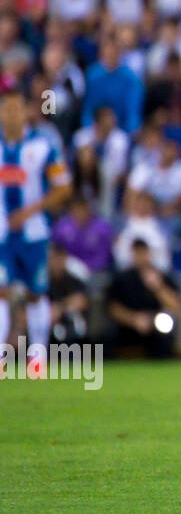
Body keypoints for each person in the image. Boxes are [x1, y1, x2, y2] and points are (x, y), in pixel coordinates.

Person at [0, 88, 74, 376]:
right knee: (2, 292)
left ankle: (38, 359)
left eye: (17, 108)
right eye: (7, 108)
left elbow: (63, 187)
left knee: (35, 292)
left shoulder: (43, 146)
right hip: (3, 235)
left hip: (34, 233)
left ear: (26, 111)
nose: (12, 114)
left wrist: (31, 210)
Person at [105, 238, 181, 359]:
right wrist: (133, 319)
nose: (141, 257)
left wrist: (158, 287)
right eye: (137, 253)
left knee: (165, 334)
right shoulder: (122, 279)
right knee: (107, 336)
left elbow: (176, 306)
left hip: (155, 323)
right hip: (129, 323)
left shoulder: (162, 277)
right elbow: (112, 307)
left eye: (143, 253)